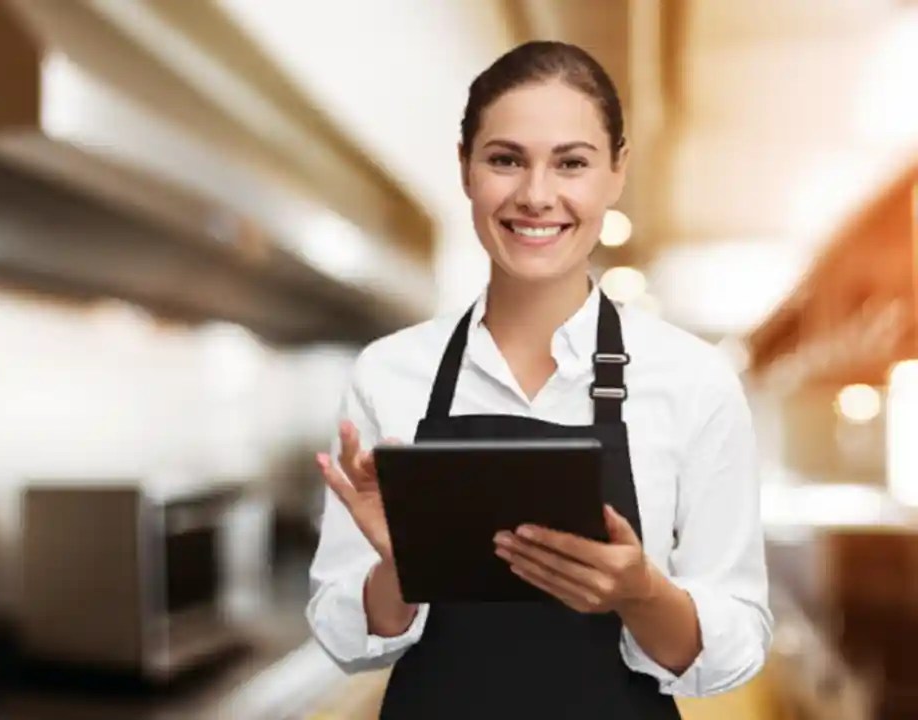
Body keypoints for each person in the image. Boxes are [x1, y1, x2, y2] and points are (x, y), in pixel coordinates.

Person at [307, 40, 772, 718]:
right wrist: (401, 567)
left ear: (617, 173)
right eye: (505, 159)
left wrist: (641, 593)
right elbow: (346, 638)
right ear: (466, 169)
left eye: (572, 163)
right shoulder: (389, 374)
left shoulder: (694, 381)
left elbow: (738, 640)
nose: (535, 195)